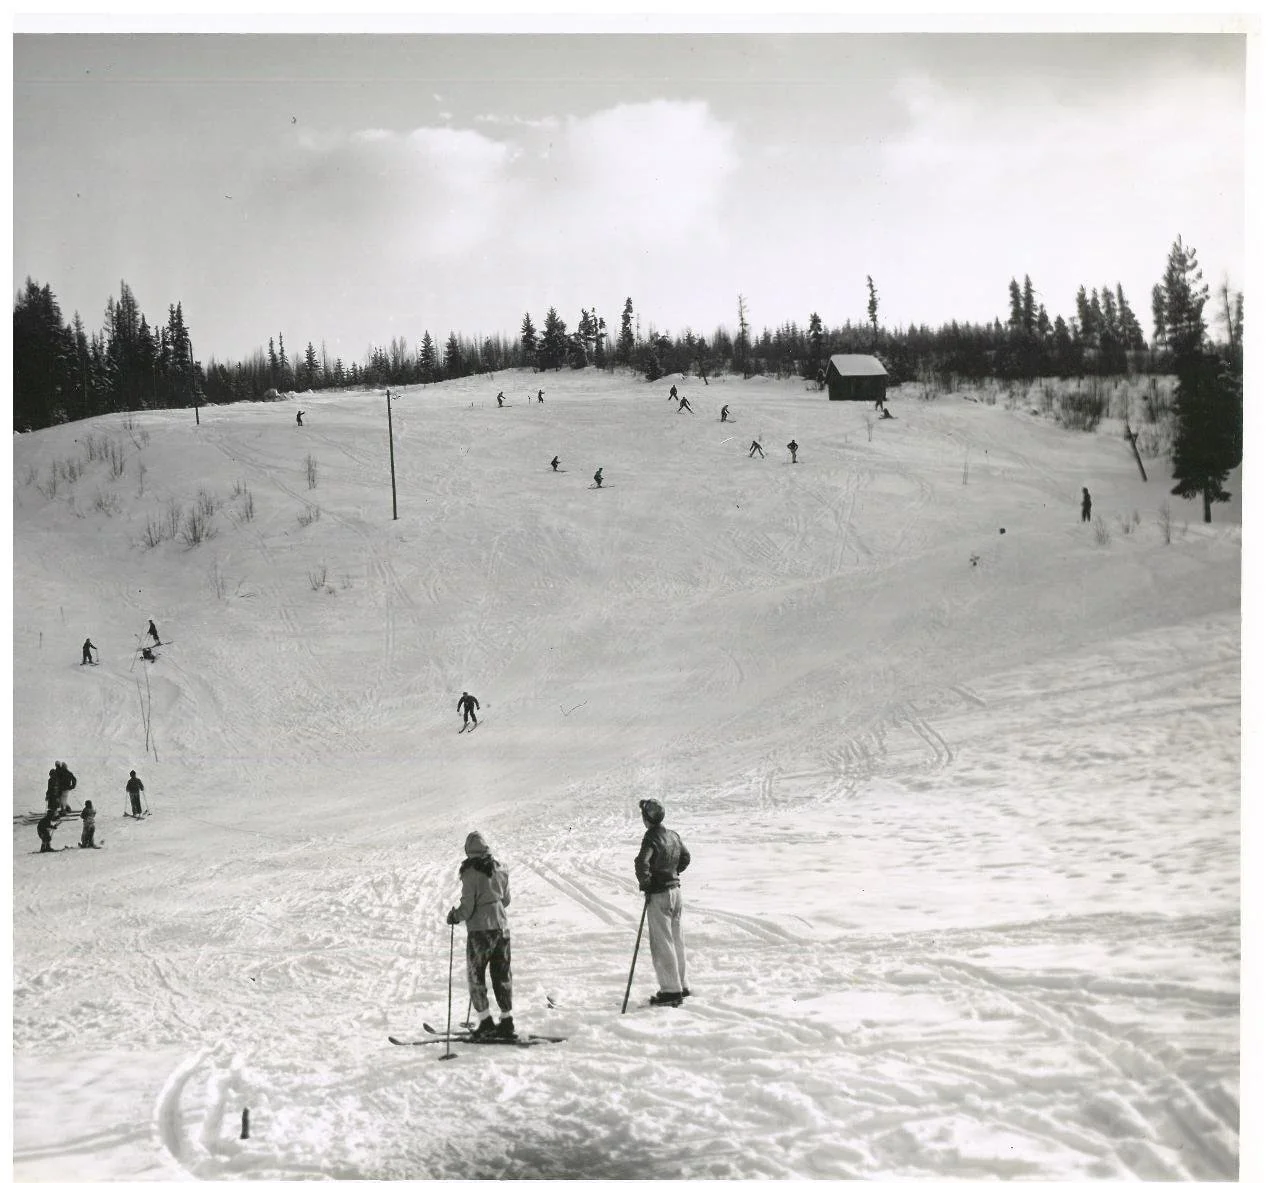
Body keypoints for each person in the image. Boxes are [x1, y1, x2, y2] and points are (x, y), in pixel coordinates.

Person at [446, 831, 515, 1040]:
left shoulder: (470, 872)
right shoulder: (500, 868)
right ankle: (506, 1020)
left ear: (468, 851)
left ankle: (485, 1022)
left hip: (480, 932)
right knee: (501, 974)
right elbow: (506, 900)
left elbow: (467, 907)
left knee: (476, 975)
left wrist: (455, 916)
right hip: (501, 928)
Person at [634, 798, 691, 1007]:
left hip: (660, 895)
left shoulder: (651, 837)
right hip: (676, 892)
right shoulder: (673, 835)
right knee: (677, 939)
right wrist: (672, 874)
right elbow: (685, 857)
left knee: (662, 942)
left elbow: (642, 863)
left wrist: (648, 883)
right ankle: (682, 985)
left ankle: (670, 990)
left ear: (646, 818)